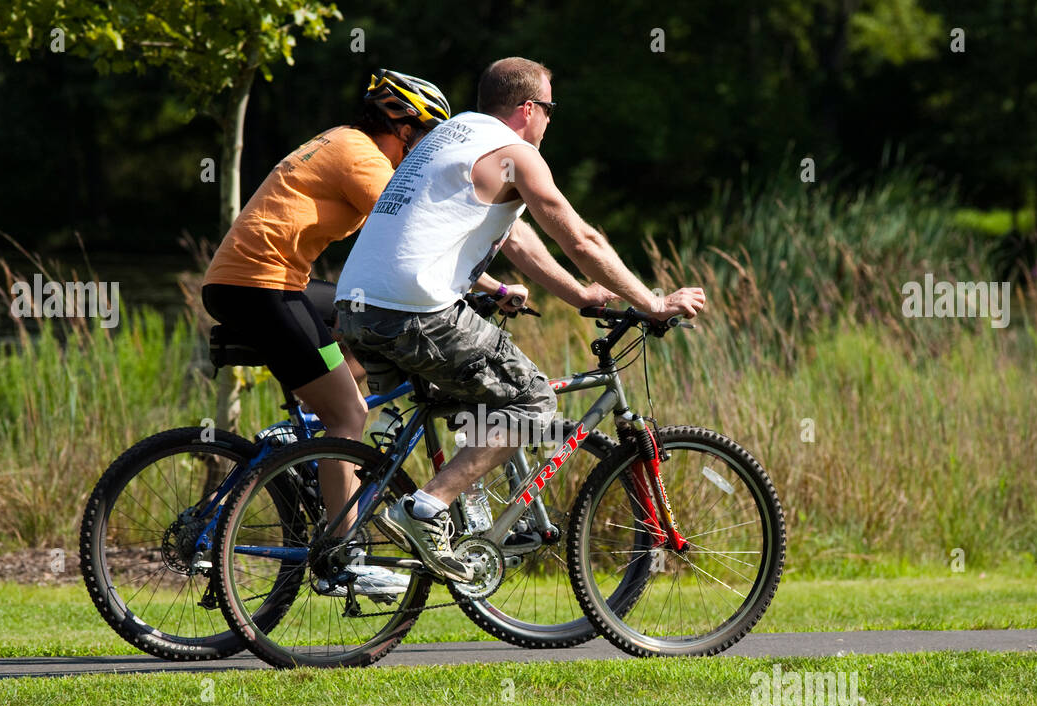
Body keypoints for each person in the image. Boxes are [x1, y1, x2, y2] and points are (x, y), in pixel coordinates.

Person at [335, 56, 705, 581]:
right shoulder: (514, 154)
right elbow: (580, 237)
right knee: (533, 399)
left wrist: (580, 294)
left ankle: (433, 526)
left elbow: (518, 241)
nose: (550, 123)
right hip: (411, 312)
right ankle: (425, 509)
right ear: (529, 109)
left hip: (356, 310)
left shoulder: (453, 136)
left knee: (476, 411)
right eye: (551, 110)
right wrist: (652, 301)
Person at [202, 70, 464, 597]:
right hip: (260, 287)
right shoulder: (360, 156)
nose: (422, 153)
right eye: (424, 137)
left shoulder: (343, 142)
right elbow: (409, 231)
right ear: (402, 125)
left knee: (363, 322)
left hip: (262, 283)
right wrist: (483, 280)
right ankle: (342, 559)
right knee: (349, 414)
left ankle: (301, 441)